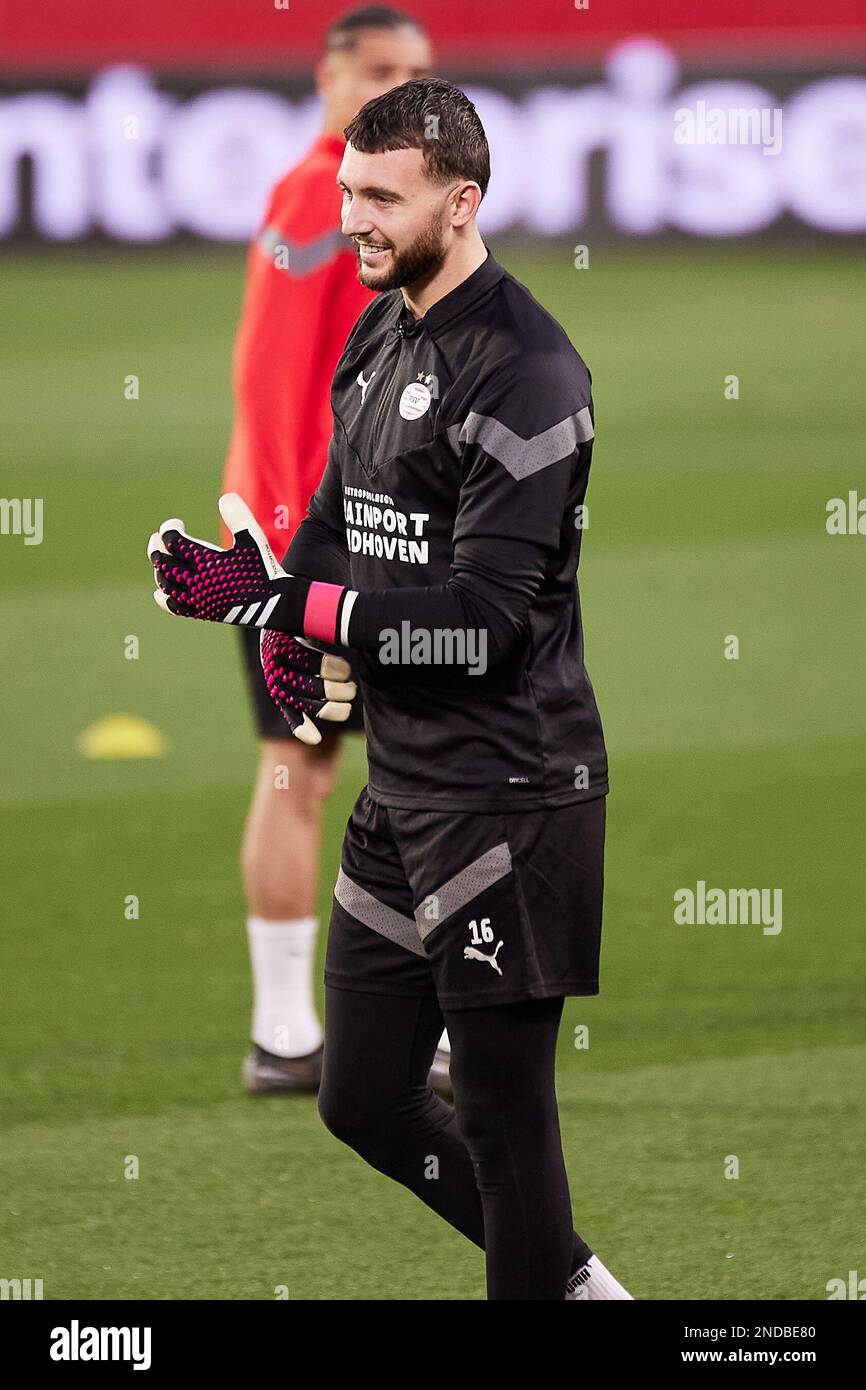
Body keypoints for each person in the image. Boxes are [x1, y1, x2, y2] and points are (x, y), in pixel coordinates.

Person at [150, 76, 632, 1300]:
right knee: (360, 1095)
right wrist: (282, 610)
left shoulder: (527, 373)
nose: (348, 216)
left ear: (460, 202)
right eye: (344, 188)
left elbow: (481, 626)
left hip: (510, 799)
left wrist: (277, 605)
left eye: (378, 196)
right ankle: (576, 1285)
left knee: (501, 1117)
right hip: (403, 784)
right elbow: (334, 516)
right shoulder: (380, 327)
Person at [219, 6, 450, 1096]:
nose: (397, 88)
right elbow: (270, 381)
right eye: (377, 70)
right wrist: (276, 550)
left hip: (376, 530)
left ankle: (360, 1024)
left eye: (414, 72)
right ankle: (287, 1030)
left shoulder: (367, 194)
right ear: (327, 76)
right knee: (314, 769)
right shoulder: (328, 193)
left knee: (392, 771)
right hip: (313, 536)